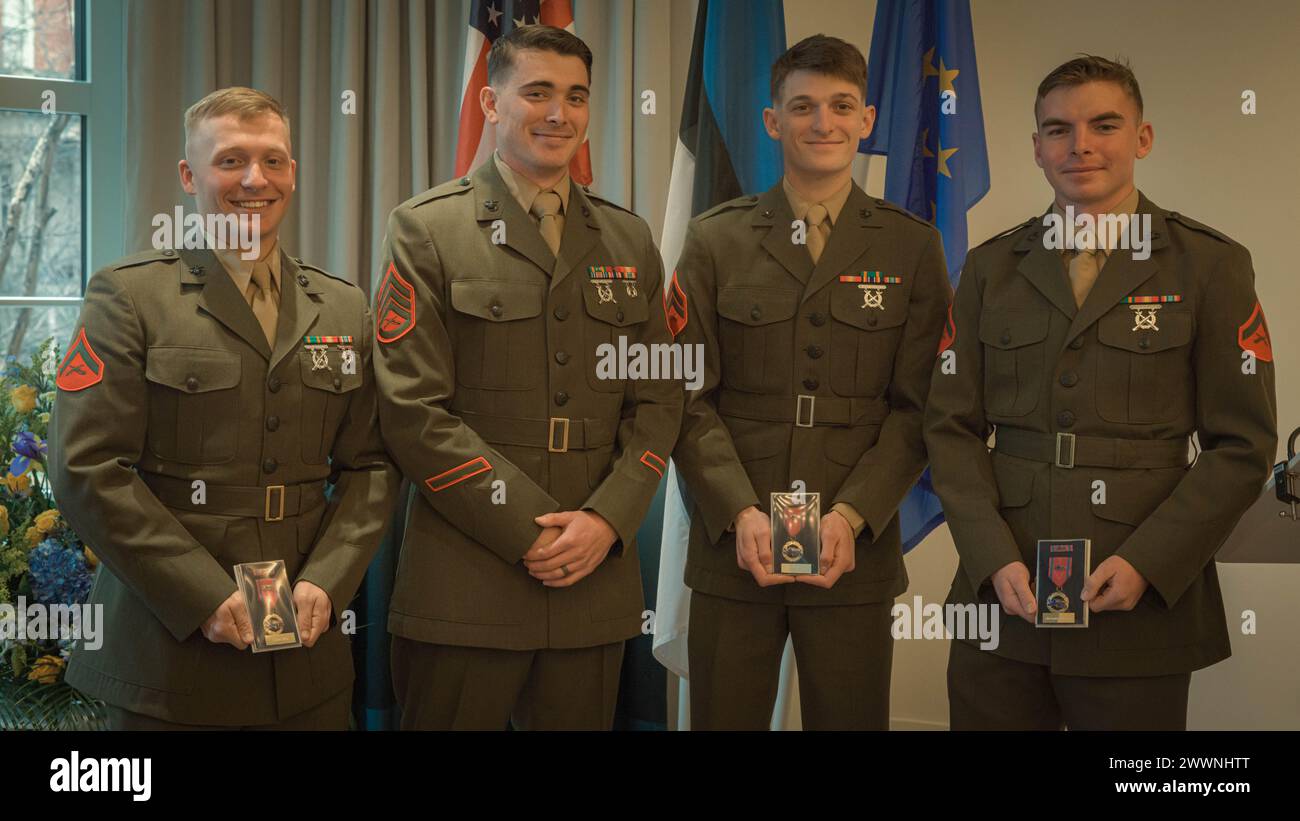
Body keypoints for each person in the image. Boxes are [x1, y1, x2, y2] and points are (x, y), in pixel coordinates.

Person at [924, 56, 1278, 730]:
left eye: (1103, 125)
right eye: (1057, 130)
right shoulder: (992, 268)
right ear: (1036, 148)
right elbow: (949, 426)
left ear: (1141, 138)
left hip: (1135, 598)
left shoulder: (1208, 264)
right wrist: (990, 555)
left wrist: (1149, 561)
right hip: (1004, 591)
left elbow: (1244, 445)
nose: (1079, 145)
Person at [49, 87, 399, 730]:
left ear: (292, 171)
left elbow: (371, 465)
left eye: (273, 160)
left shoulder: (344, 307)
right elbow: (86, 468)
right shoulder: (130, 296)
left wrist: (328, 578)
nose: (255, 180)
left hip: (306, 649)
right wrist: (204, 594)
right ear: (189, 175)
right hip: (171, 652)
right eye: (230, 160)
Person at [374, 25, 681, 730]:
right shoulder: (427, 229)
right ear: (490, 101)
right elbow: (411, 410)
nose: (558, 113)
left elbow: (661, 393)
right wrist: (529, 530)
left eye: (576, 97)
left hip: (592, 579)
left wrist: (607, 519)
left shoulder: (627, 238)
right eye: (536, 92)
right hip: (465, 581)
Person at [671, 35, 950, 730]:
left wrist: (851, 515)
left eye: (840, 105)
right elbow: (684, 395)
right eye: (802, 106)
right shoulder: (715, 240)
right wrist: (739, 512)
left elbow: (921, 407)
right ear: (773, 121)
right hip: (735, 546)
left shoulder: (911, 246)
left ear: (866, 118)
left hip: (851, 549)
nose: (822, 122)